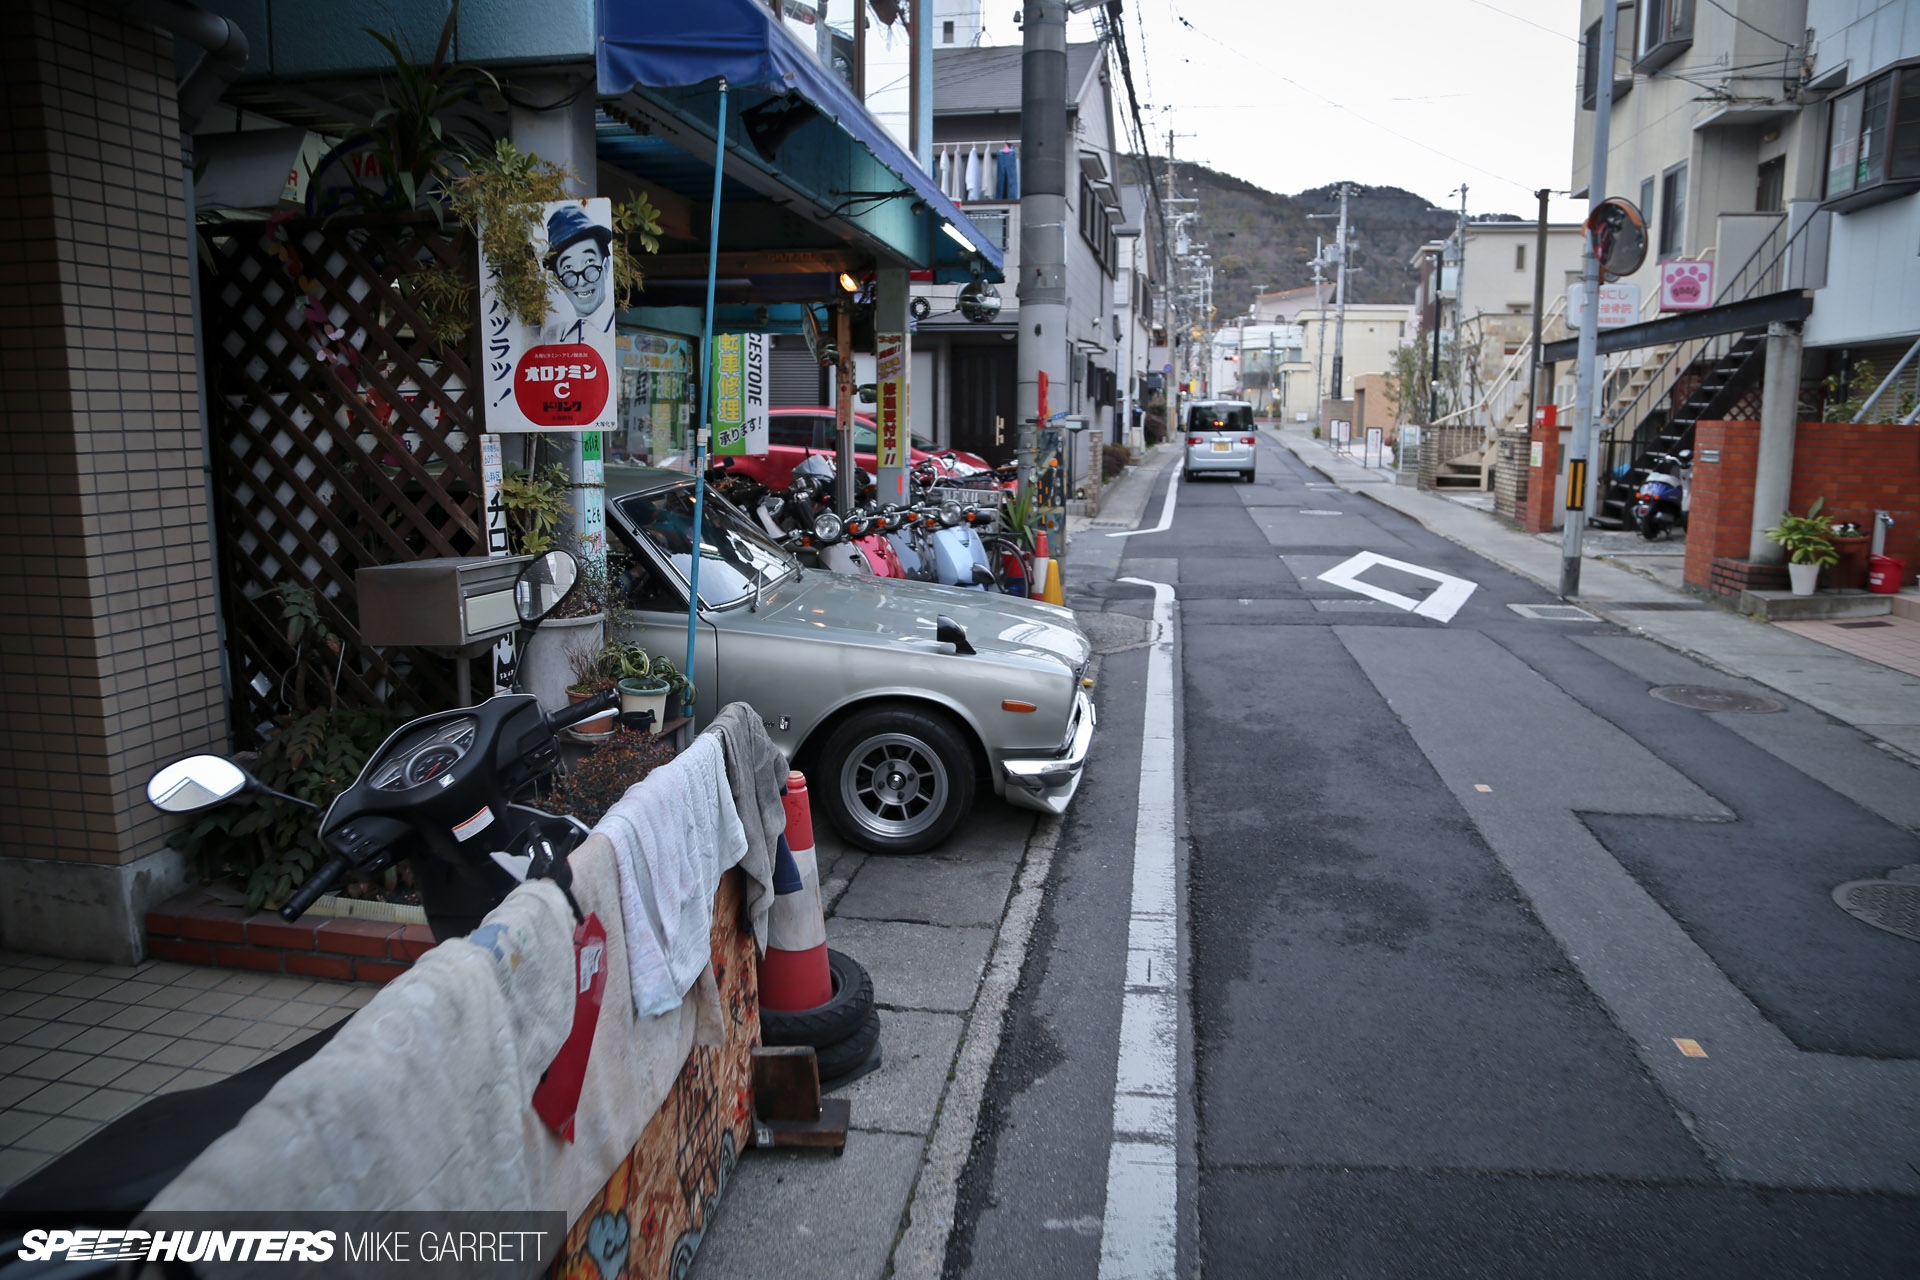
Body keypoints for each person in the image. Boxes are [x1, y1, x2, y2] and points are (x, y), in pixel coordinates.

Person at [540, 204, 614, 344]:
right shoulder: (552, 337)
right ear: (557, 279)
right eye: (568, 268)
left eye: (589, 263)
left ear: (605, 266)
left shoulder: (616, 335)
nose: (581, 281)